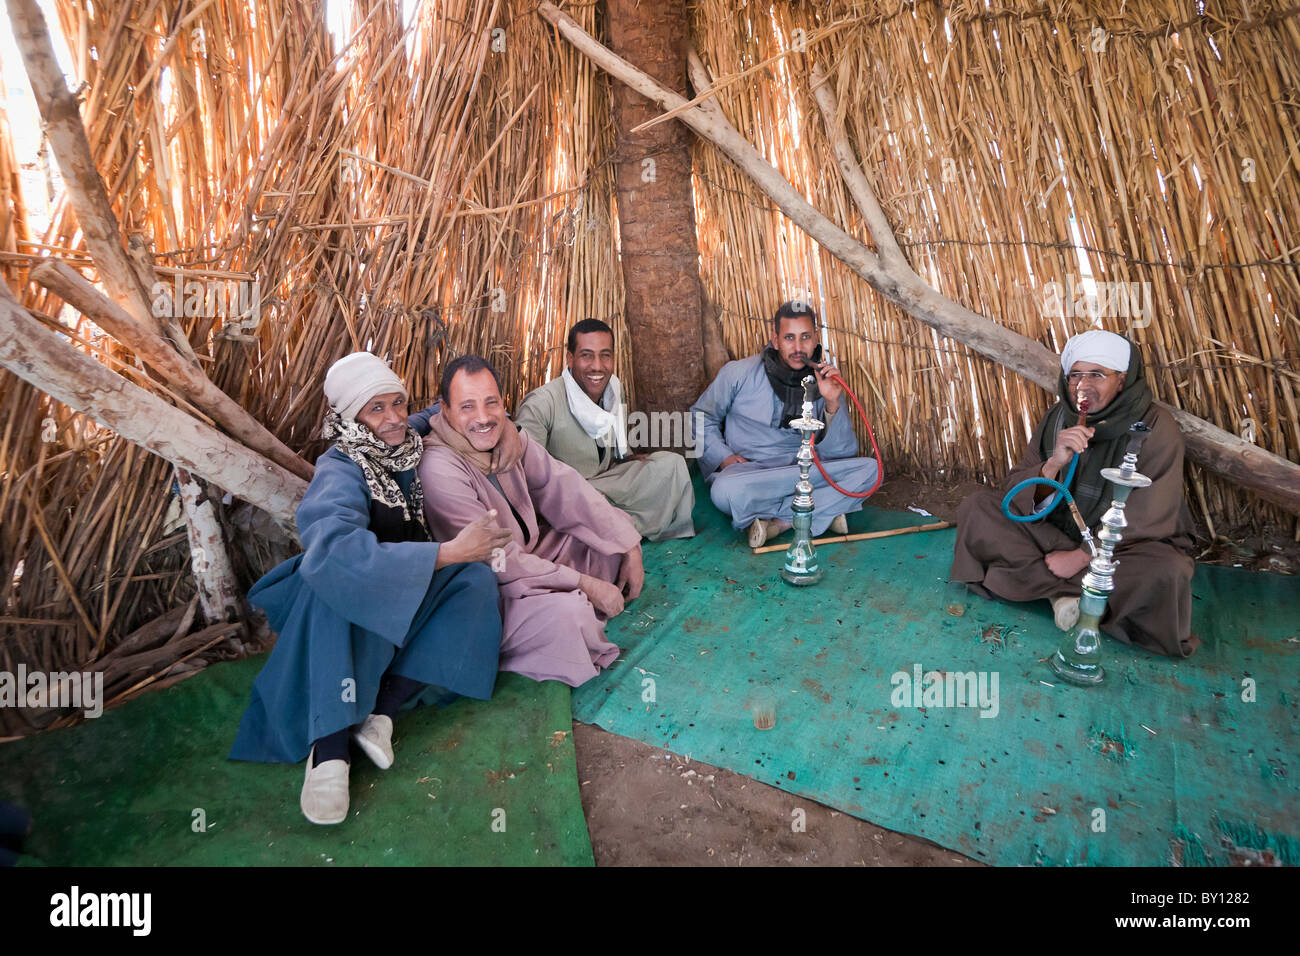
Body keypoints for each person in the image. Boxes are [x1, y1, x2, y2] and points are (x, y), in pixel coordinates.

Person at [230, 351, 513, 825]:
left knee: (475, 580)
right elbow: (334, 551)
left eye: (397, 403)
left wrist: (503, 432)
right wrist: (448, 552)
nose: (393, 418)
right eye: (376, 408)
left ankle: (380, 716)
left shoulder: (406, 439)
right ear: (350, 418)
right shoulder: (339, 468)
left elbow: (443, 414)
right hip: (347, 595)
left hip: (405, 583)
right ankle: (330, 750)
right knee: (331, 589)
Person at [950, 329, 1199, 658]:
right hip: (1053, 534)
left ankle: (1051, 590)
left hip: (1117, 550)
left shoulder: (1155, 427)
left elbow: (1151, 513)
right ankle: (1075, 598)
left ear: (1122, 380)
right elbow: (1016, 489)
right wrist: (1053, 463)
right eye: (1076, 375)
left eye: (1097, 374)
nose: (1084, 385)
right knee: (977, 508)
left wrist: (1083, 555)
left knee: (1167, 570)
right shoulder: (1058, 418)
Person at [419, 355, 644, 687]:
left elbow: (566, 487)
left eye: (490, 403)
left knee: (608, 548)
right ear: (445, 410)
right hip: (492, 589)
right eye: (467, 407)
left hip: (533, 556)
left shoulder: (508, 439)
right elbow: (501, 562)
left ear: (503, 404)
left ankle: (574, 597)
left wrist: (630, 545)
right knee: (571, 617)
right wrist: (584, 583)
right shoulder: (440, 469)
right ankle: (560, 620)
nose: (482, 417)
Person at [690, 299, 879, 546]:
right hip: (753, 473)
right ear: (775, 340)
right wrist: (723, 457)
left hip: (804, 472)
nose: (798, 347)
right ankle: (823, 510)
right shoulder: (738, 373)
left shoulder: (823, 382)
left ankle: (781, 523)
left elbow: (841, 453)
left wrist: (832, 402)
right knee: (724, 491)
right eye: (789, 338)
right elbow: (701, 416)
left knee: (871, 472)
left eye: (805, 337)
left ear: (815, 339)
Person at [515, 318, 694, 542]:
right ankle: (613, 527)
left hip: (605, 482)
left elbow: (617, 452)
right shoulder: (542, 403)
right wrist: (578, 496)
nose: (597, 366)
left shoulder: (613, 390)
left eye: (605, 355)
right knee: (585, 506)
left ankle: (612, 525)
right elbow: (526, 477)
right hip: (567, 495)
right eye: (587, 355)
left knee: (671, 465)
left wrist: (630, 460)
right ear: (570, 358)